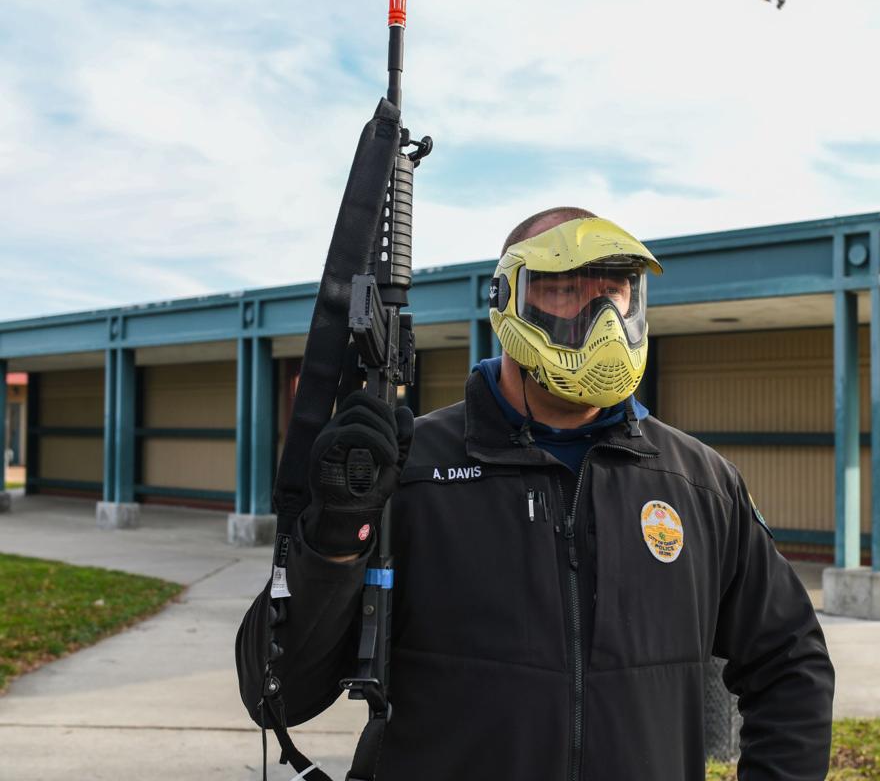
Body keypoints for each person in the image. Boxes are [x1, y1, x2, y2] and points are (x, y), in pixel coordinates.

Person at [236, 207, 835, 780]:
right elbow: (277, 695)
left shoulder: (699, 484)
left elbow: (791, 663)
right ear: (508, 301)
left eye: (614, 293)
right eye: (565, 291)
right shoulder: (410, 471)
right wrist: (336, 535)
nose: (598, 317)